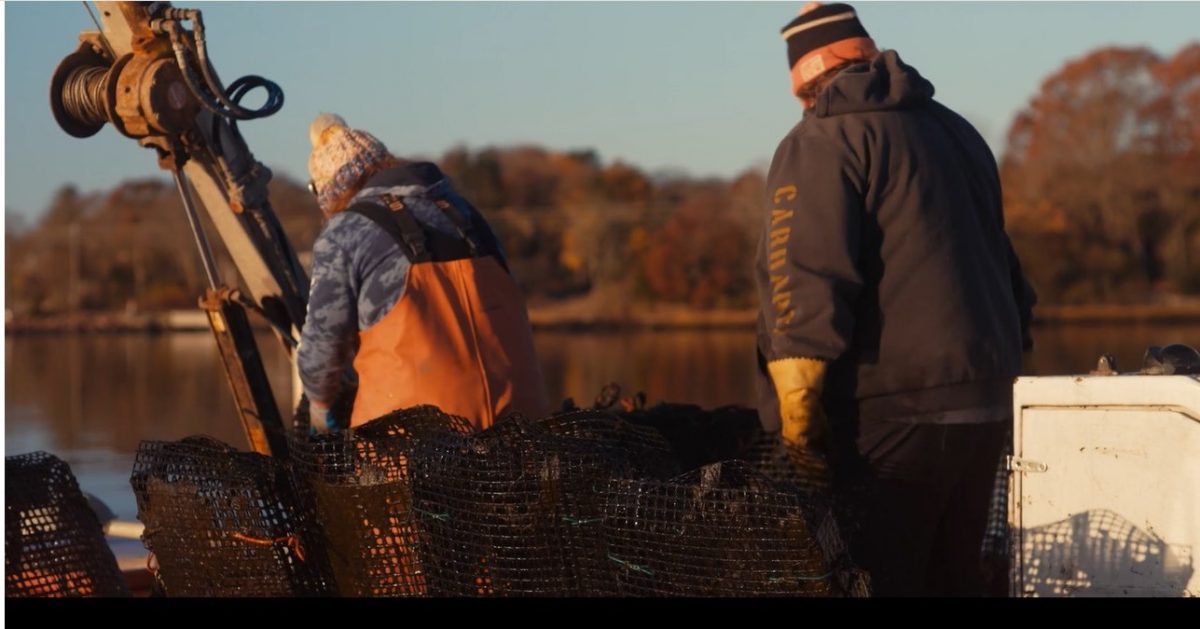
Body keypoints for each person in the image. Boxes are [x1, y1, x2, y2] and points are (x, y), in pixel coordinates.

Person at [755, 3, 1036, 596]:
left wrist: (798, 417)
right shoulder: (957, 132)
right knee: (956, 580)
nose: (803, 106)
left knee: (878, 578)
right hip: (987, 405)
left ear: (816, 70)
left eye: (802, 92)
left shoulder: (823, 139)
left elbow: (802, 275)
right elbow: (1007, 271)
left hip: (893, 414)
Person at [300, 113, 550, 431]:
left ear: (332, 195)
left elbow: (321, 349)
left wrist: (319, 409)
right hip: (522, 430)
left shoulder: (344, 231)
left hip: (416, 449)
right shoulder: (465, 214)